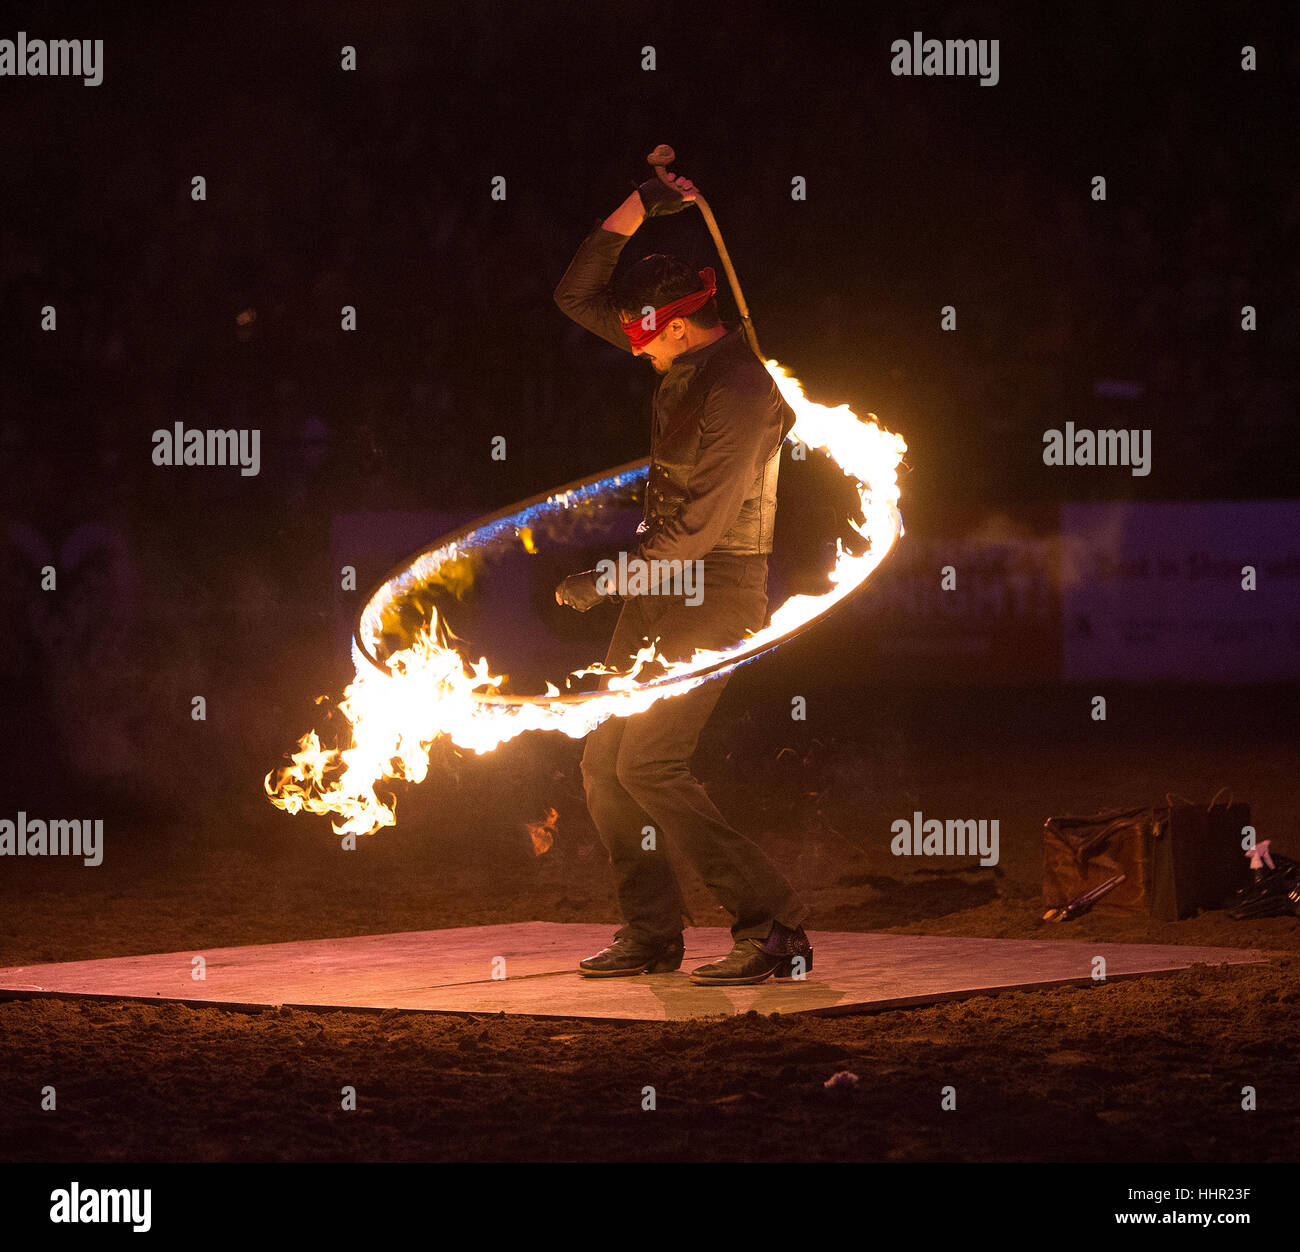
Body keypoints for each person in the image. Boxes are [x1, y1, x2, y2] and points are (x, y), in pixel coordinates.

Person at [551, 163, 811, 986]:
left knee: (649, 763)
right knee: (602, 765)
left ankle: (775, 927)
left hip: (719, 586)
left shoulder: (744, 390)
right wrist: (637, 205)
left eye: (649, 339)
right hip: (662, 587)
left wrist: (606, 580)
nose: (640, 353)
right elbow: (573, 297)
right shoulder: (678, 355)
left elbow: (698, 533)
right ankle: (652, 933)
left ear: (684, 324)